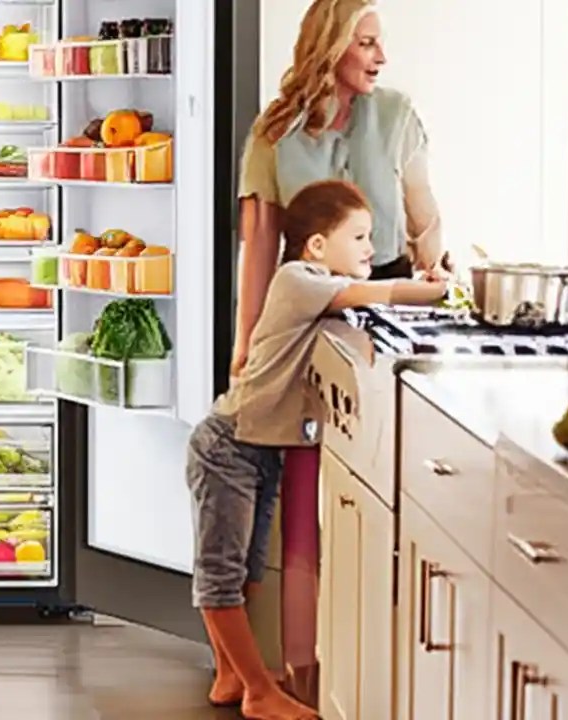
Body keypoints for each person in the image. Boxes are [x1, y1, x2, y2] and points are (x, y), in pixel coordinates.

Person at [187, 180, 445, 720]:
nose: (370, 248)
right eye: (359, 236)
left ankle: (233, 673)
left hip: (259, 449)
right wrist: (441, 286)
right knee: (221, 573)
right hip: (228, 445)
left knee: (249, 569)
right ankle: (259, 691)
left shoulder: (316, 282)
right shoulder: (298, 278)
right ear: (317, 247)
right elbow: (379, 293)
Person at [232, 0, 446, 375]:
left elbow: (423, 217)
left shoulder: (397, 115)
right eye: (366, 43)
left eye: (379, 43)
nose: (381, 57)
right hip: (306, 310)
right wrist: (246, 345)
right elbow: (260, 247)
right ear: (330, 47)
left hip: (388, 305)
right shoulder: (275, 133)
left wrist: (436, 277)